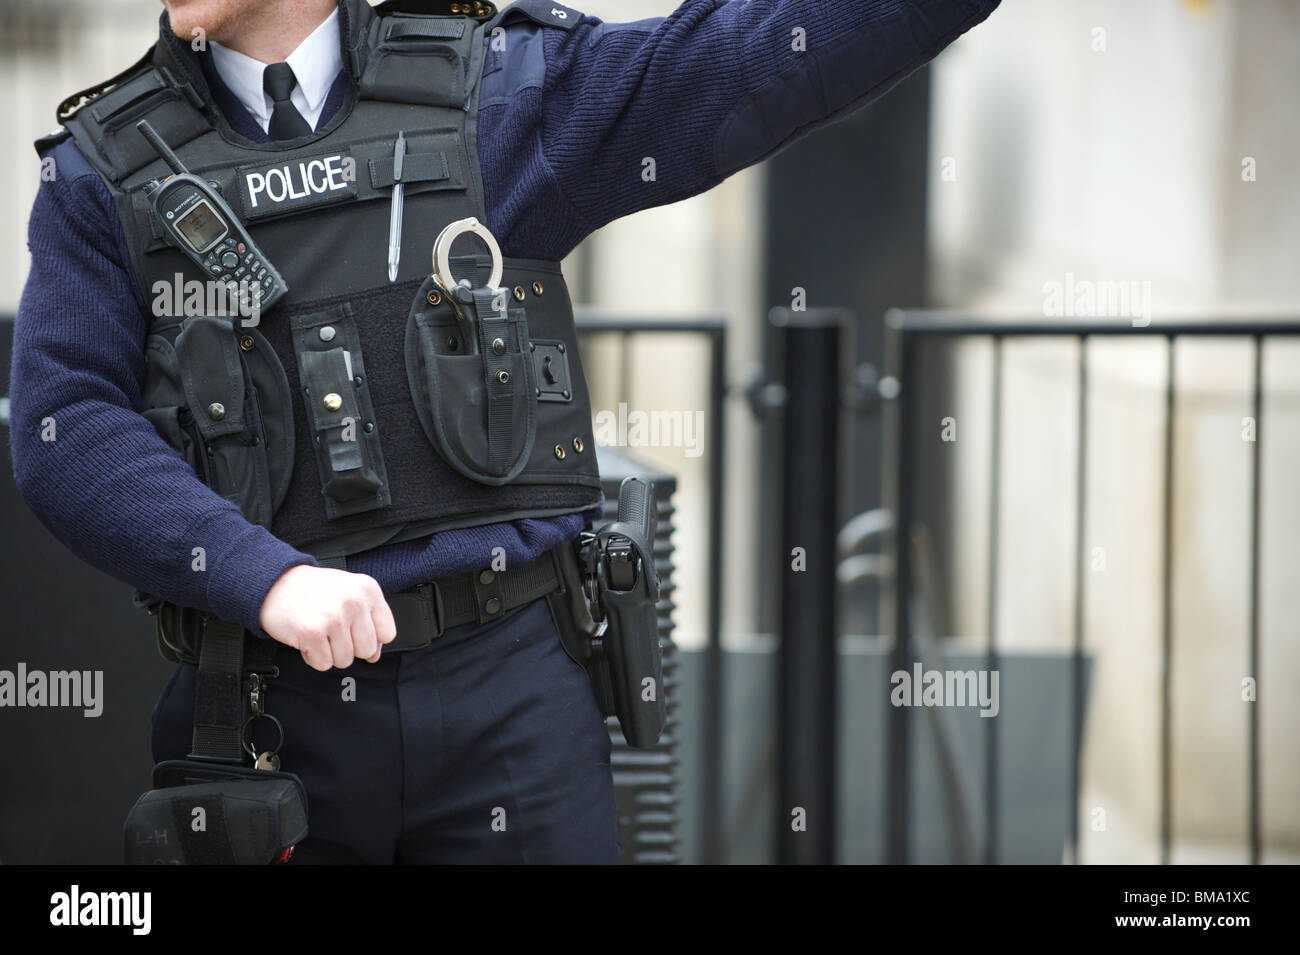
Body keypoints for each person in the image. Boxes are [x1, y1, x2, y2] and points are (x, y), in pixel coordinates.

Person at [9, 0, 1001, 864]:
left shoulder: (491, 91)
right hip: (264, 716)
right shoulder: (104, 175)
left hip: (511, 706)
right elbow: (66, 423)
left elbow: (746, 56)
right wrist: (259, 573)